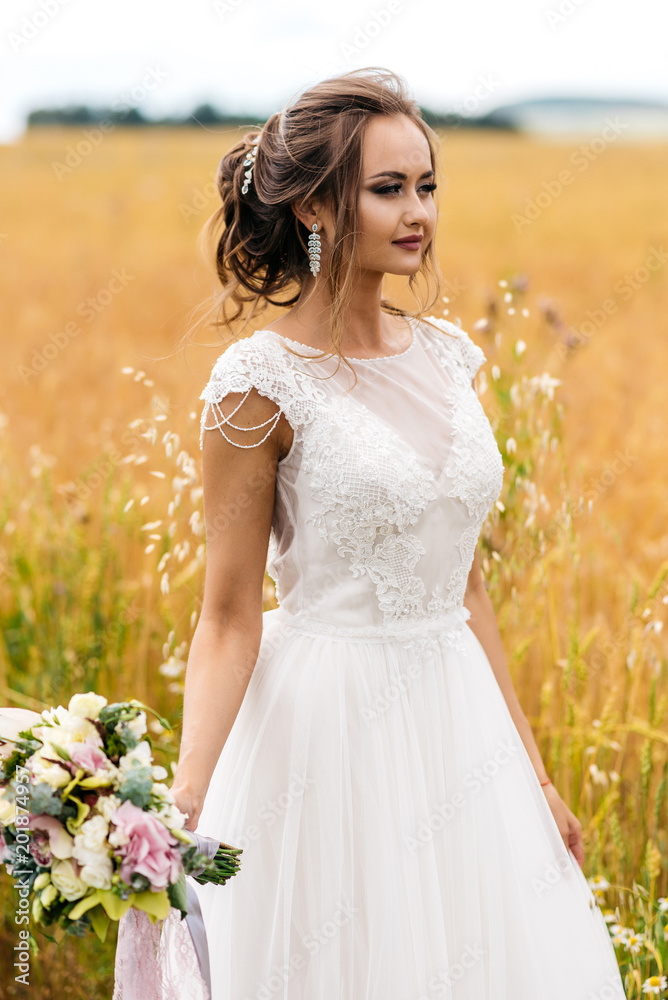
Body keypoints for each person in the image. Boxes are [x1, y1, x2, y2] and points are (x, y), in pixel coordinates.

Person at [165, 68, 627, 999]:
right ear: (312, 206)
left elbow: (466, 586)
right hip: (324, 737)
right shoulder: (257, 387)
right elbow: (228, 616)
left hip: (461, 728)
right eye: (388, 189)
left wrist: (533, 777)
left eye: (427, 186)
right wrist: (183, 806)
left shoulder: (450, 359)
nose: (419, 213)